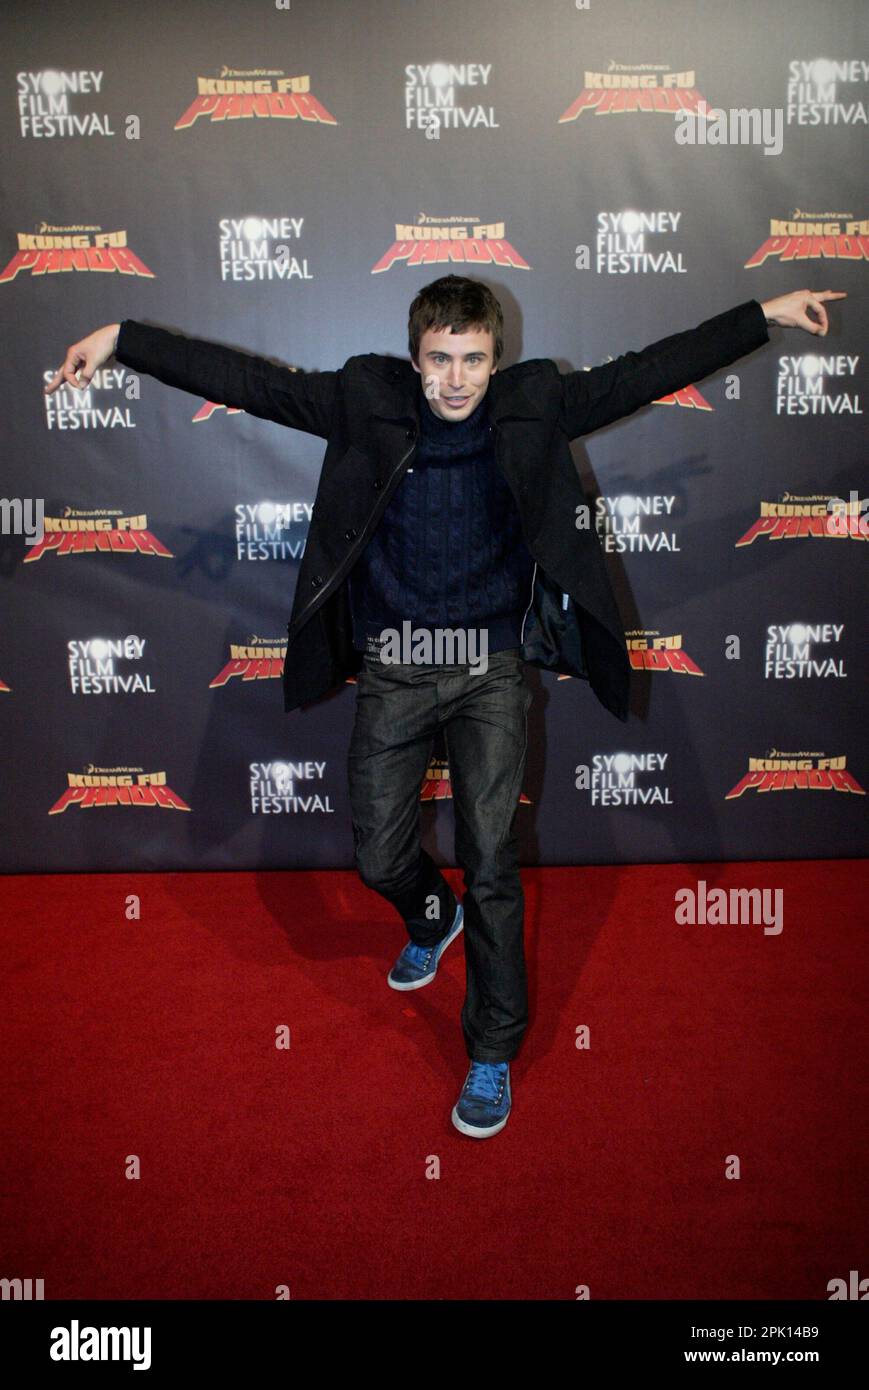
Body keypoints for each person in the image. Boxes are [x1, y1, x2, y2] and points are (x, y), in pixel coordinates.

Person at [46, 277, 847, 1138]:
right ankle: (431, 910)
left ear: (495, 359)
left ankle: (491, 1053)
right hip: (395, 668)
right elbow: (248, 382)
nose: (455, 381)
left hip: (491, 670)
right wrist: (123, 337)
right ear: (413, 356)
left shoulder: (536, 402)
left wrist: (761, 316)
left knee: (493, 858)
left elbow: (651, 370)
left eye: (472, 360)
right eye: (438, 361)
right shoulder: (364, 398)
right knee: (378, 853)